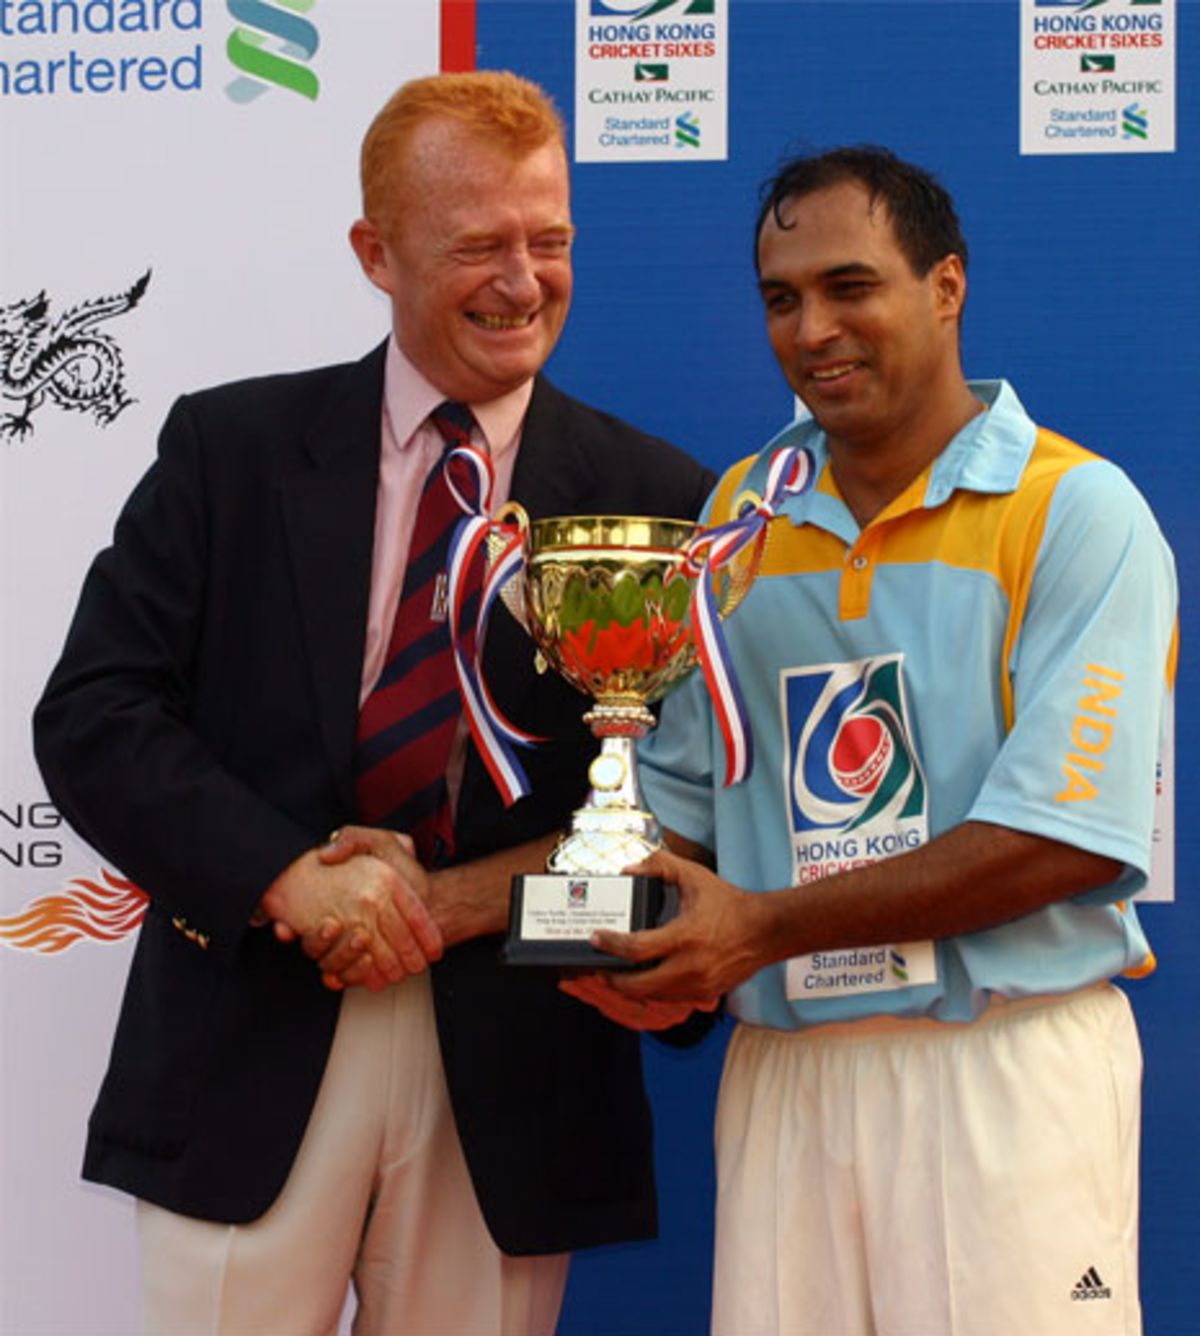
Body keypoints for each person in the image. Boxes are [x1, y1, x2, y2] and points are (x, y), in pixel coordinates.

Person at [33, 70, 715, 1334]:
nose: (524, 282)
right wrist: (290, 875)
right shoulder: (227, 453)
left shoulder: (657, 499)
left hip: (517, 1065)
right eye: (479, 247)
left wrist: (646, 954)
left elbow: (681, 810)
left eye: (549, 241)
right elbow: (94, 716)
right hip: (249, 1033)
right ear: (376, 251)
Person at [562, 146, 1178, 1335]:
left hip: (1002, 1064)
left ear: (946, 286)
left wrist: (757, 925)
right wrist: (557, 916)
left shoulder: (1078, 510)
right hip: (790, 1073)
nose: (814, 329)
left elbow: (1066, 841)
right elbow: (674, 804)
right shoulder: (741, 513)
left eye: (851, 286)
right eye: (782, 298)